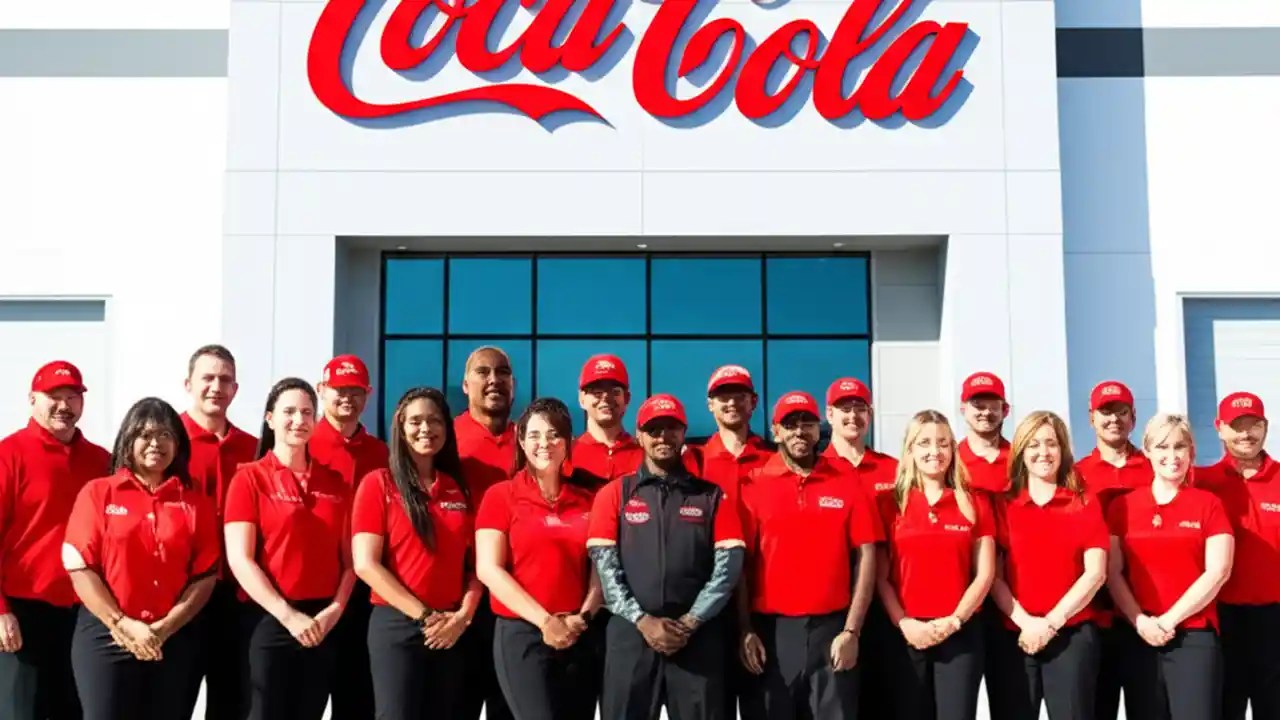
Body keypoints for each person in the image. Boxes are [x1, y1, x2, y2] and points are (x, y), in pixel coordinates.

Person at [587, 394, 746, 720]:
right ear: (639, 435)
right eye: (654, 429)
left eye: (671, 428)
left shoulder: (713, 496)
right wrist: (642, 621)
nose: (663, 437)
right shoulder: (614, 494)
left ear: (684, 432)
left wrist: (690, 623)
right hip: (630, 637)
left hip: (697, 640)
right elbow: (605, 568)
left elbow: (729, 568)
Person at [63, 397, 219, 720]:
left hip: (173, 640)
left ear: (178, 444)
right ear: (128, 439)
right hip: (107, 636)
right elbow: (80, 567)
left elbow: (204, 576)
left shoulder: (195, 502)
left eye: (165, 435)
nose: (155, 444)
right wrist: (122, 623)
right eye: (145, 435)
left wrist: (164, 628)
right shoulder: (98, 493)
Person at [737, 391, 880, 720]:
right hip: (771, 634)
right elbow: (741, 566)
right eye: (790, 424)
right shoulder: (753, 484)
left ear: (818, 429)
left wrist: (852, 631)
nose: (799, 431)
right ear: (775, 431)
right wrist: (745, 629)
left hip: (832, 631)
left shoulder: (846, 481)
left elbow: (867, 555)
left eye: (807, 423)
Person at [223, 377, 356, 720]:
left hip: (322, 622)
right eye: (289, 412)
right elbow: (240, 558)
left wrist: (334, 610)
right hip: (268, 619)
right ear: (270, 419)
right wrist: (287, 615)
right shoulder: (249, 478)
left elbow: (349, 562)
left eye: (307, 412)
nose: (299, 420)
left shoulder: (335, 483)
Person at [352, 387, 481, 720]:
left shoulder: (456, 488)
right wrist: (424, 616)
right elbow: (365, 564)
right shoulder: (378, 484)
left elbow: (474, 568)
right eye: (416, 421)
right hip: (398, 626)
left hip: (451, 628)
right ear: (401, 427)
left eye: (435, 421)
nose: (426, 429)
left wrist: (462, 617)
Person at [476, 397, 604, 720]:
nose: (544, 443)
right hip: (523, 633)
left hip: (578, 632)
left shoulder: (587, 500)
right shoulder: (500, 496)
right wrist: (545, 621)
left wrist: (583, 617)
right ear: (521, 441)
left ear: (568, 443)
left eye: (553, 435)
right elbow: (489, 569)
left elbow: (600, 567)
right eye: (534, 435)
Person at [0, 360, 112, 720]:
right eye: (54, 396)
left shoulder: (101, 461)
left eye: (73, 397)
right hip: (23, 614)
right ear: (32, 399)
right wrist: (0, 611)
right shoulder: (9, 455)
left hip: (86, 616)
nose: (64, 406)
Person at [1106, 413, 1234, 720]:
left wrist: (1168, 621)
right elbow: (1112, 572)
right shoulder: (1123, 507)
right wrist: (1140, 621)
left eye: (1180, 447)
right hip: (1139, 636)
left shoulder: (1209, 504)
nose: (1172, 456)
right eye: (1162, 447)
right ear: (1147, 451)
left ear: (1191, 451)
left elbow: (1218, 570)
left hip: (1193, 637)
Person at [988, 411, 1108, 720]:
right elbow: (993, 576)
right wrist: (1027, 623)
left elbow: (1095, 572)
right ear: (1021, 452)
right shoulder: (1003, 505)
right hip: (1014, 634)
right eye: (1034, 444)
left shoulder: (1083, 502)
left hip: (1071, 634)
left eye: (1051, 443)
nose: (1043, 452)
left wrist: (1051, 623)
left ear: (1063, 449)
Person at [877, 410, 995, 720]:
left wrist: (954, 621)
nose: (935, 451)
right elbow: (880, 577)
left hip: (960, 634)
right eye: (925, 443)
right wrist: (905, 623)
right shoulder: (889, 503)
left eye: (943, 443)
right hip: (905, 635)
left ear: (953, 449)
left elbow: (984, 574)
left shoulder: (974, 503)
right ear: (910, 449)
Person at [179, 344, 258, 720]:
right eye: (207, 378)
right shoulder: (167, 442)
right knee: (172, 700)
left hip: (238, 596)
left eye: (225, 380)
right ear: (188, 384)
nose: (216, 387)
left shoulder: (253, 448)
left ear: (235, 389)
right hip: (183, 593)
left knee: (234, 703)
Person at [310, 354, 389, 720]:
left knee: (359, 699)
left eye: (356, 391)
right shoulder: (303, 443)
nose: (347, 398)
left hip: (366, 590)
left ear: (368, 394)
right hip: (314, 588)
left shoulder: (380, 453)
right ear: (321, 390)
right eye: (339, 390)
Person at [1193, 392, 1277, 720]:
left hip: (1274, 619)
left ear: (1265, 427)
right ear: (1219, 427)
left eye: (1253, 425)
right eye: (1236, 425)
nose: (1245, 434)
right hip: (1220, 617)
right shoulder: (1201, 482)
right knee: (1224, 708)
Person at [1072, 380, 1150, 720]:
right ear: (1091, 418)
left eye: (1122, 412)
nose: (1114, 419)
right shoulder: (1075, 475)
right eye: (1106, 412)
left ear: (1134, 417)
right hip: (1095, 612)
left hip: (1146, 609)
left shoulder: (1155, 467)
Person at [822, 377, 898, 719]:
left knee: (884, 701)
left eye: (859, 408)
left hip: (885, 604)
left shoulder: (893, 469)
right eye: (844, 409)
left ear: (871, 414)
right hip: (837, 604)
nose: (852, 416)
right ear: (829, 415)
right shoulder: (817, 471)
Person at [454, 345, 517, 720]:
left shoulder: (530, 441)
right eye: (483, 372)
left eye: (502, 373)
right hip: (457, 598)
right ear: (465, 384)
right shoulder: (445, 438)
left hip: (514, 599)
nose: (494, 380)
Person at [954, 372, 1014, 719]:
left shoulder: (1022, 458)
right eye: (977, 404)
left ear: (1006, 410)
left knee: (1010, 699)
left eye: (993, 405)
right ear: (963, 408)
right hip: (963, 592)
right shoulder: (950, 461)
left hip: (1013, 592)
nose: (985, 412)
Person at [571, 354, 643, 485]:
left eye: (615, 392)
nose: (606, 398)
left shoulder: (645, 456)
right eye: (597, 392)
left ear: (627, 398)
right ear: (582, 399)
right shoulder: (567, 454)